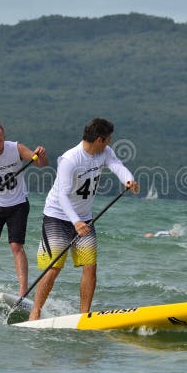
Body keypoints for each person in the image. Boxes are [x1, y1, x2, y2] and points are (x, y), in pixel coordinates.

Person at [29, 118, 139, 320]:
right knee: (53, 268)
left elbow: (117, 165)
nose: (109, 144)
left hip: (84, 219)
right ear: (99, 139)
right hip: (57, 216)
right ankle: (34, 313)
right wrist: (75, 222)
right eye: (108, 140)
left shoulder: (105, 152)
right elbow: (62, 195)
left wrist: (129, 180)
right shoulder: (70, 159)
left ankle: (84, 315)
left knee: (90, 266)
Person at [0, 122, 48, 295]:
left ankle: (23, 290)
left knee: (16, 246)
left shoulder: (16, 148)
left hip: (18, 204)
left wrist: (40, 155)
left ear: (4, 139)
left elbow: (41, 163)